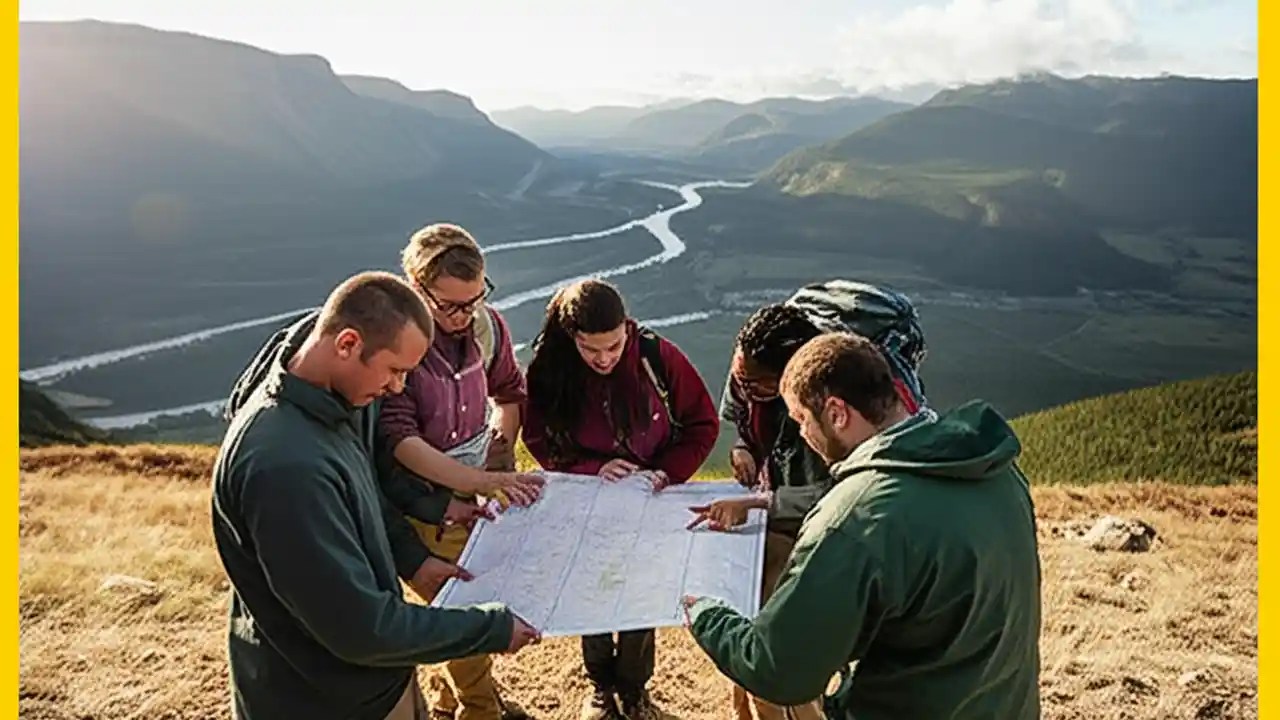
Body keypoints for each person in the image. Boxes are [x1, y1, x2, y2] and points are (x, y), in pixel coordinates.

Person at [211, 271, 541, 720]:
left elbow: (364, 492)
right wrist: (491, 628)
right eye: (396, 371)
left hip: (375, 682)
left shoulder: (339, 396)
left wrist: (413, 561)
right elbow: (363, 630)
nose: (398, 389)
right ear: (346, 343)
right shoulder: (285, 469)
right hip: (319, 700)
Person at [684, 332, 1042, 720]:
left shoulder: (854, 516)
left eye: (803, 420)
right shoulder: (995, 469)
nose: (804, 435)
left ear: (837, 413)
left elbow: (779, 669)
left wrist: (707, 615)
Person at [522, 278, 719, 720]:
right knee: (590, 586)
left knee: (640, 594)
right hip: (588, 499)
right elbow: (537, 436)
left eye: (614, 345)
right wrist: (588, 469)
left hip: (652, 494)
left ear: (627, 328)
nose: (605, 358)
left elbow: (702, 424)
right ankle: (599, 686)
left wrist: (666, 472)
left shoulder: (656, 357)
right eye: (592, 350)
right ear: (571, 336)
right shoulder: (550, 367)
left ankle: (633, 690)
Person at [377, 223, 544, 720]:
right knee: (461, 602)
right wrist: (478, 483)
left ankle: (455, 696)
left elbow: (510, 390)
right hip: (423, 496)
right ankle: (479, 708)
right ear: (415, 288)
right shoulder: (398, 343)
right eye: (449, 305)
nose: (463, 315)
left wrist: (501, 445)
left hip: (477, 486)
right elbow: (397, 438)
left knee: (468, 597)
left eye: (473, 299)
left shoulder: (487, 326)